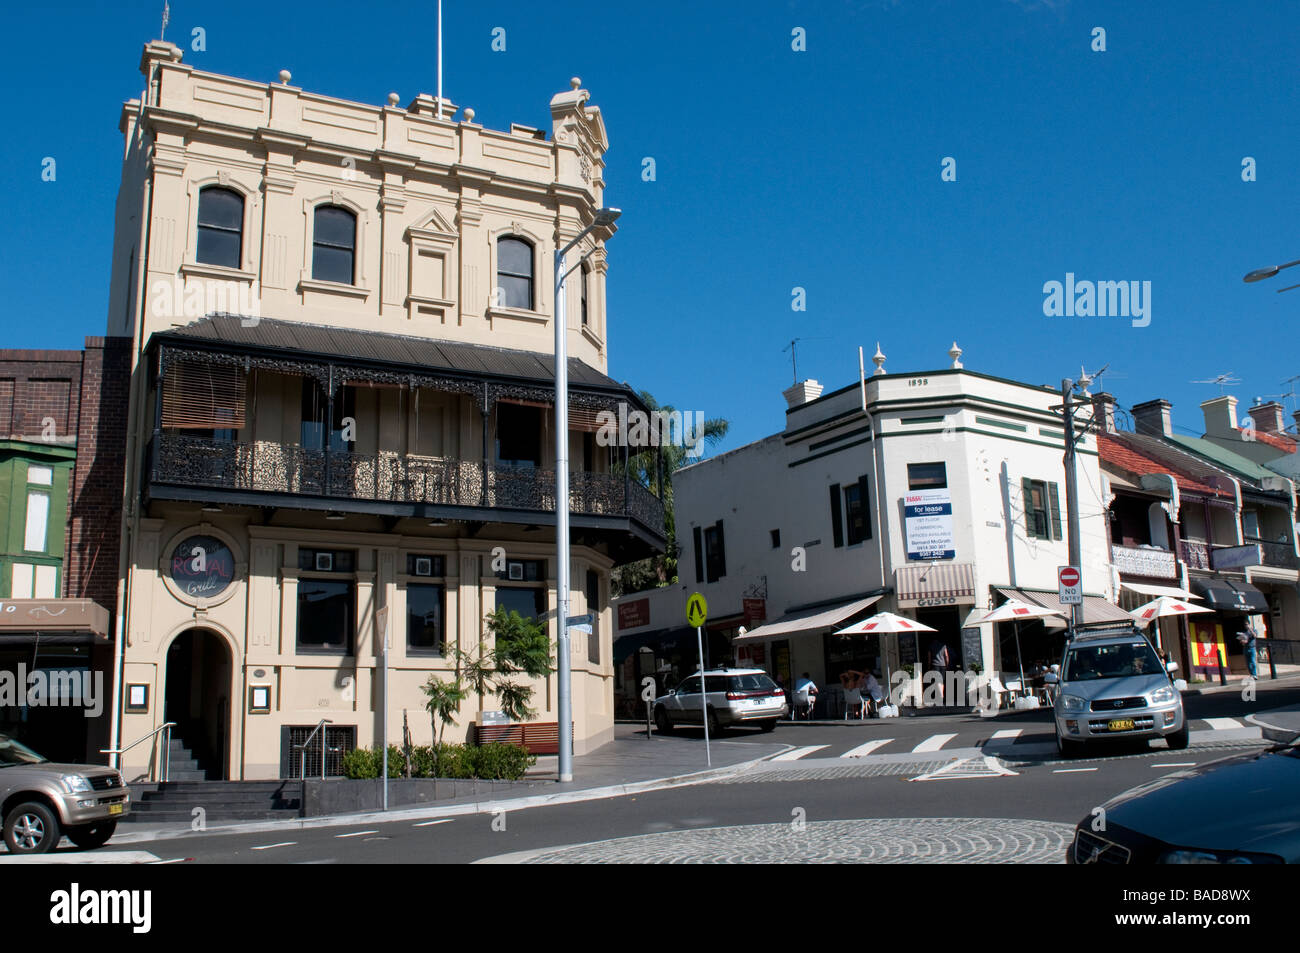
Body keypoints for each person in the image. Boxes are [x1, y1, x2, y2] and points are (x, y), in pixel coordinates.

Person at [928, 638, 951, 706]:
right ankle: (941, 695)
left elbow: (929, 657)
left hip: (935, 665)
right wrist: (947, 665)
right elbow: (946, 656)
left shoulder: (931, 646)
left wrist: (929, 667)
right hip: (943, 665)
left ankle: (940, 696)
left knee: (937, 681)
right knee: (941, 681)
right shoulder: (943, 646)